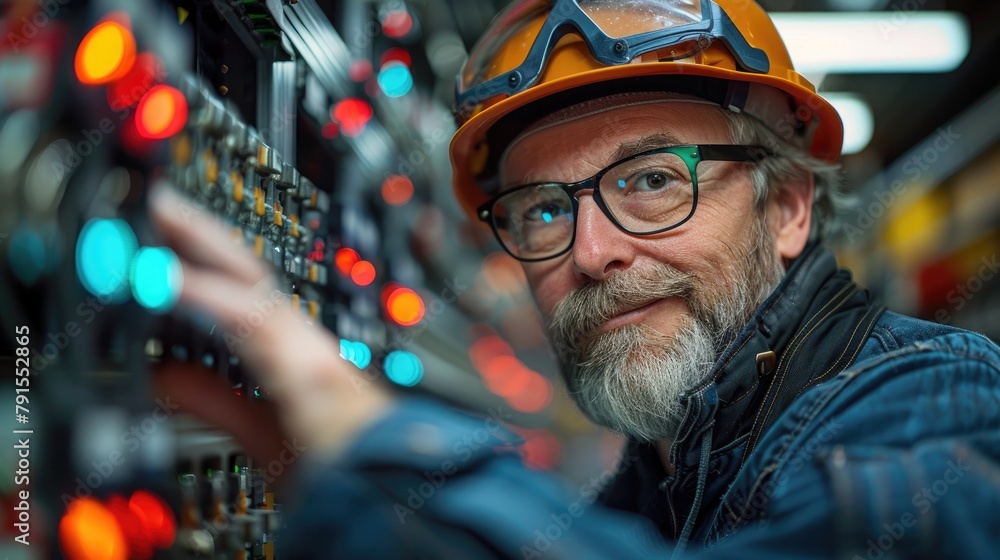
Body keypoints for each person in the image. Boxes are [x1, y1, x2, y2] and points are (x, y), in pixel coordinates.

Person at [150, 0, 1000, 557]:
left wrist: (394, 456)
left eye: (652, 181)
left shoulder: (934, 400)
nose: (592, 253)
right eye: (544, 210)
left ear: (787, 208)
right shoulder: (647, 496)